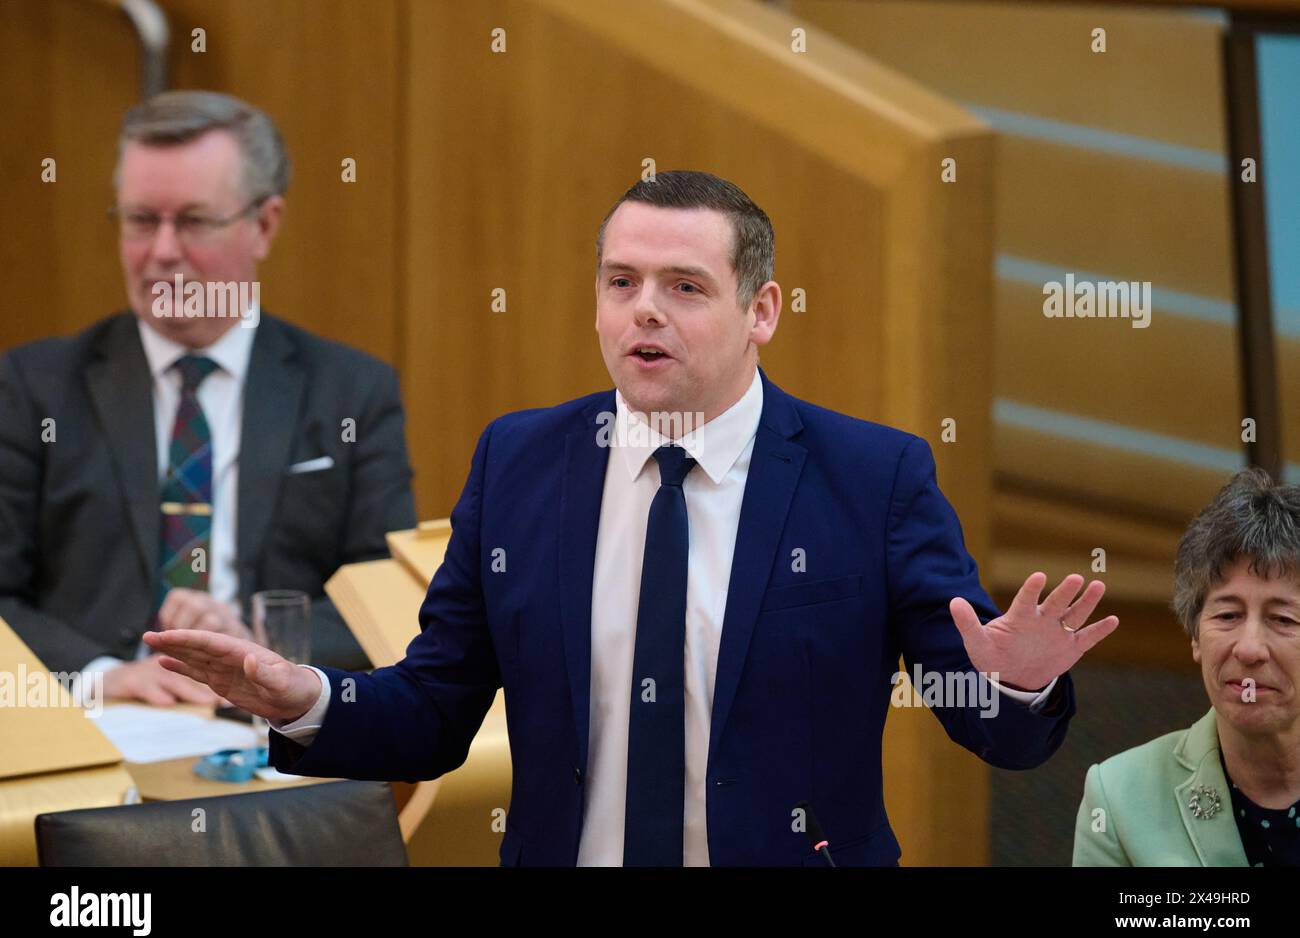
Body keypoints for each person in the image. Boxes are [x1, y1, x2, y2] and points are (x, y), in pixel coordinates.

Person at [148, 171, 1117, 866]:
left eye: (683, 286)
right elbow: (436, 711)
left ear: (762, 308)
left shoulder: (871, 475)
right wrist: (303, 697)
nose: (642, 310)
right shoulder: (519, 461)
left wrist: (1016, 687)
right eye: (621, 282)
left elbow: (984, 721)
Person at [0, 91, 416, 705]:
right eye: (142, 220)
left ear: (265, 224)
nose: (163, 252)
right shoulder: (34, 387)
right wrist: (96, 678)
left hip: (277, 741)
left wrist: (261, 648)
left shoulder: (352, 391)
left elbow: (387, 600)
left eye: (194, 221)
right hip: (98, 730)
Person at [1073, 468, 1300, 866]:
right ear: (1196, 636)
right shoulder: (1119, 798)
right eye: (1227, 616)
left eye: (1283, 620)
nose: (1249, 649)